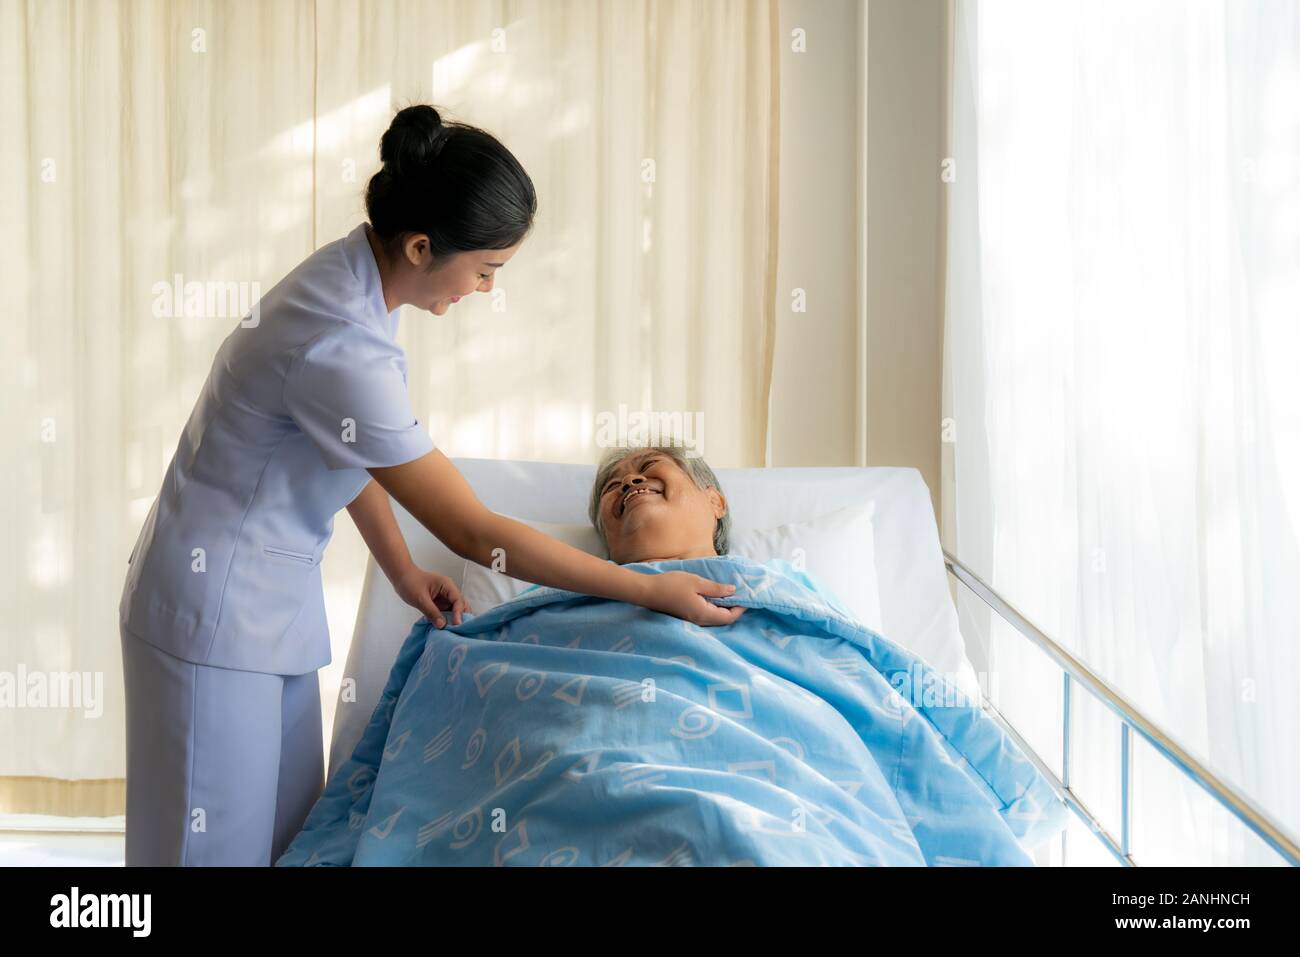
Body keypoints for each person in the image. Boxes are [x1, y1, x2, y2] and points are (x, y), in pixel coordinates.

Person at [118, 104, 742, 867]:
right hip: (211, 617)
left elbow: (343, 447)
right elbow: (474, 532)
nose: (484, 288)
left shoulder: (357, 286)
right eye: (486, 269)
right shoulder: (340, 338)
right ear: (421, 246)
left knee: (285, 849)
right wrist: (642, 588)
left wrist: (402, 570)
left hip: (263, 607)